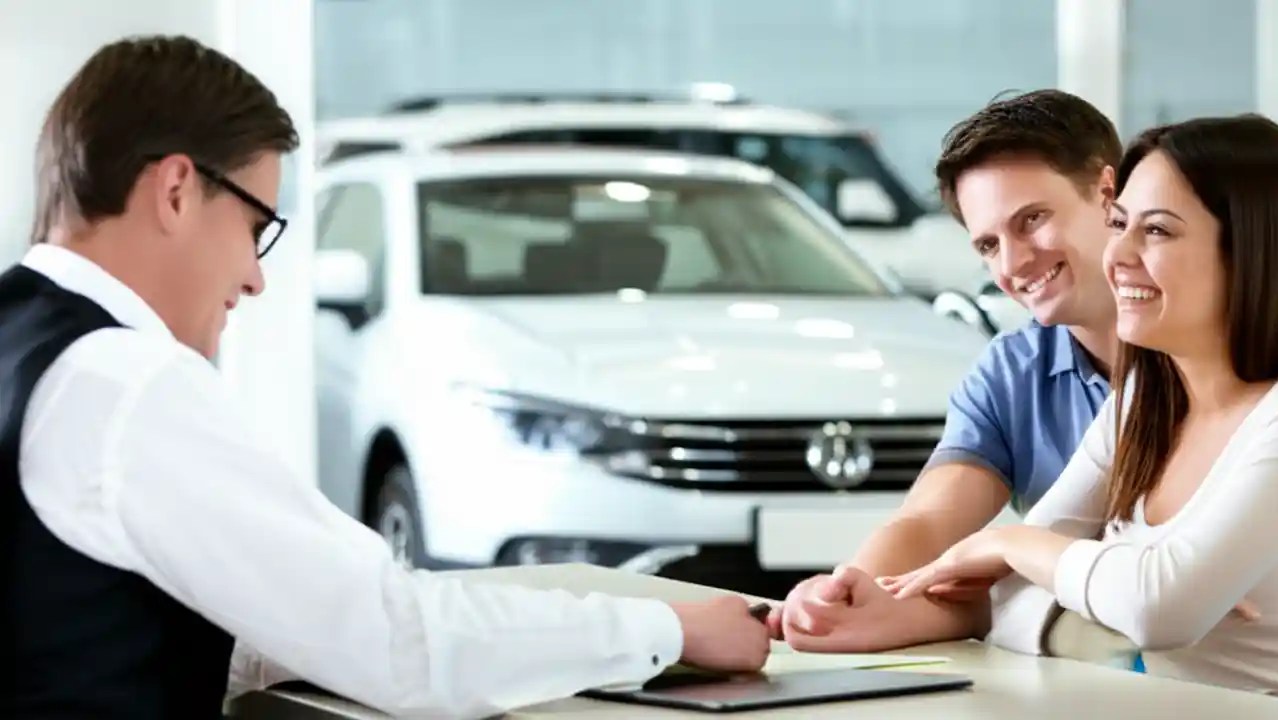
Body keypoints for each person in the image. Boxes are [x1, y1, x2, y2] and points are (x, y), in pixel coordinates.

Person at [0, 36, 768, 719]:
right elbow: (401, 645)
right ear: (175, 191)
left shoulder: (25, 345)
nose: (255, 278)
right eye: (257, 228)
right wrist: (670, 630)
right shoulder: (127, 381)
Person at [879, 114, 1278, 694]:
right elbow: (1002, 596)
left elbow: (1155, 607)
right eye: (1120, 225)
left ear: (1251, 249)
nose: (1119, 254)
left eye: (1157, 230)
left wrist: (1008, 542)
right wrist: (1112, 609)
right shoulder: (1143, 398)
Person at [766, 89, 1125, 652]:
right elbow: (929, 521)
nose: (1013, 263)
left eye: (1032, 219)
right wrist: (848, 592)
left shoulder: (1220, 360)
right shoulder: (1013, 373)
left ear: (1108, 194)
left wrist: (992, 576)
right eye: (988, 245)